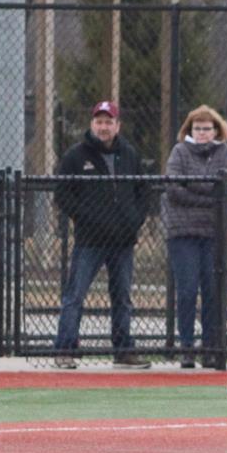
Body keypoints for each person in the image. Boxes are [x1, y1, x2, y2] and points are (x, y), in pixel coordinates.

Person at [53, 99, 151, 368]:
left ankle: (123, 350)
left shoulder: (129, 154)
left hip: (122, 240)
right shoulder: (76, 156)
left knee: (122, 297)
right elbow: (62, 194)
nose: (103, 127)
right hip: (89, 240)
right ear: (91, 124)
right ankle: (65, 350)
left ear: (117, 125)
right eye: (99, 121)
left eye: (109, 122)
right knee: (75, 295)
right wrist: (86, 217)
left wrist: (134, 220)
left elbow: (144, 192)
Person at [163, 105, 227, 369]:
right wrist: (208, 193)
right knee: (186, 291)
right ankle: (186, 347)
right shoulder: (180, 152)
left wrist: (195, 187)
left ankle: (210, 347)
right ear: (190, 129)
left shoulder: (224, 152)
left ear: (216, 130)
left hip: (213, 233)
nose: (203, 133)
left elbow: (226, 184)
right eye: (197, 128)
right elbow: (174, 188)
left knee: (211, 290)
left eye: (207, 128)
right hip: (183, 233)